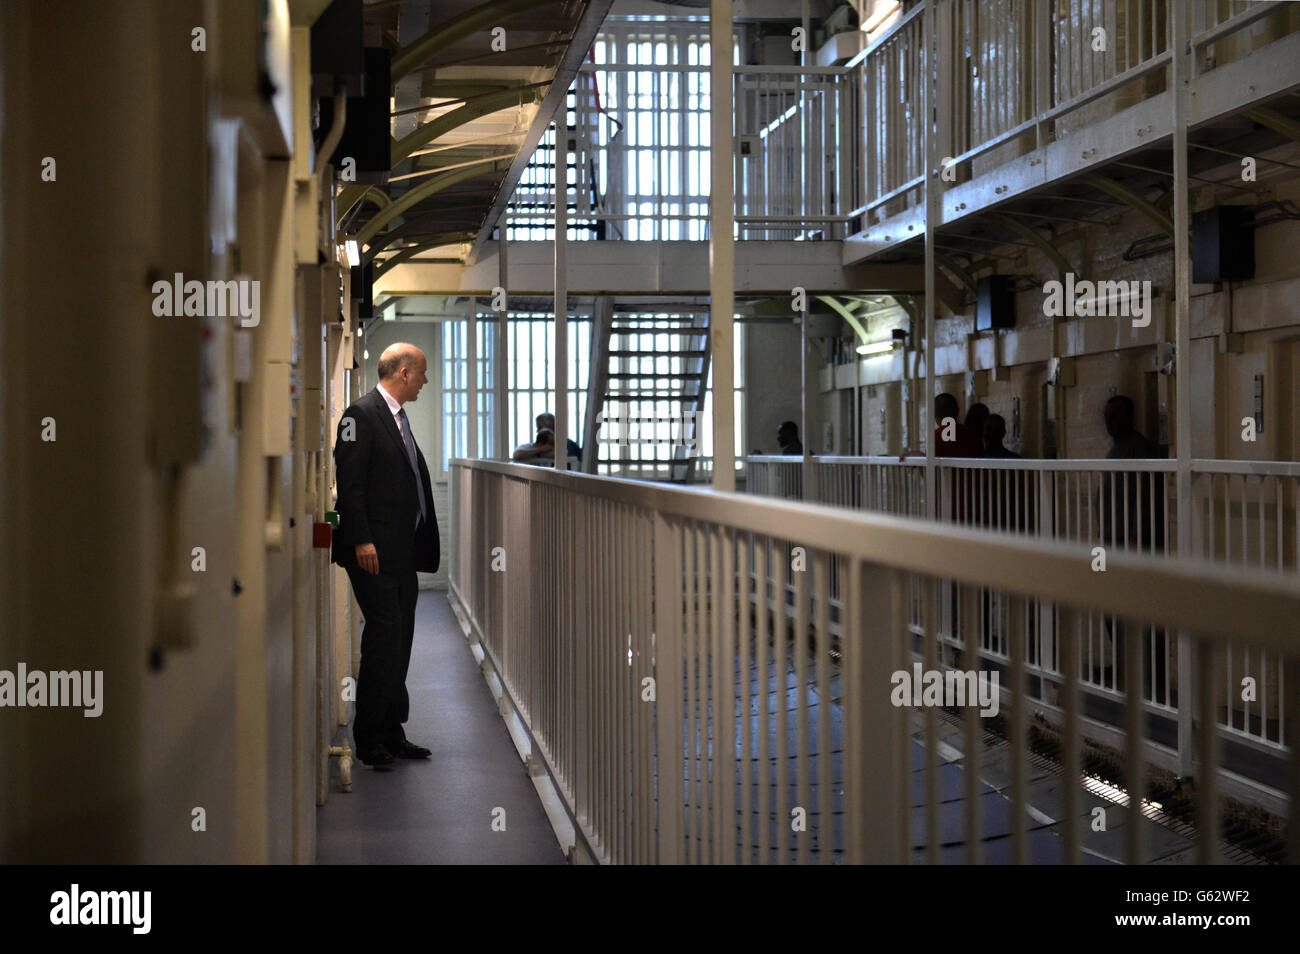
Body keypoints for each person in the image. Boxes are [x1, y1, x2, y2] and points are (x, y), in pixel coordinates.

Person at [332, 342, 440, 768]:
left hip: (401, 552)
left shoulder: (397, 417)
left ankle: (393, 732)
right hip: (373, 553)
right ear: (405, 373)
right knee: (383, 640)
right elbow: (350, 482)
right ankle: (370, 738)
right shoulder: (360, 415)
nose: (426, 381)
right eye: (424, 373)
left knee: (400, 641)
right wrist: (361, 540)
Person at [513, 412, 580, 464]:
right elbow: (517, 454)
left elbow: (563, 453)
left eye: (540, 427)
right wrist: (540, 450)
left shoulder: (568, 444)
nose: (537, 431)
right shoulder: (534, 446)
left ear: (552, 427)